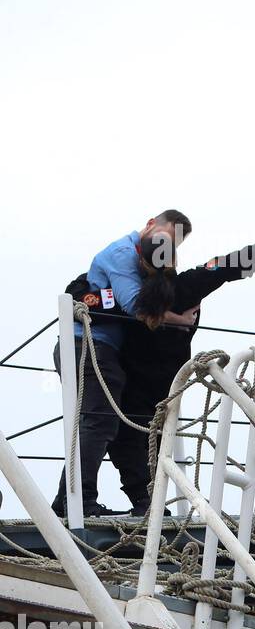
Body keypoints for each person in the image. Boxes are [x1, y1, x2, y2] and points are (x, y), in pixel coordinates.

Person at [114, 224, 255, 514]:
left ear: (141, 262)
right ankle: (148, 503)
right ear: (174, 261)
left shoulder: (128, 293)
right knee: (152, 443)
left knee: (120, 437)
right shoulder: (190, 284)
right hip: (168, 387)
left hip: (129, 383)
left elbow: (82, 291)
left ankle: (140, 500)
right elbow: (231, 264)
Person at [52, 211, 192, 518]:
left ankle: (69, 498)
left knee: (103, 422)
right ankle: (78, 500)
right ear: (151, 224)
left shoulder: (140, 259)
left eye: (172, 246)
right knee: (99, 421)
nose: (165, 248)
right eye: (163, 239)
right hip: (89, 344)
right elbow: (134, 305)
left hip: (102, 349)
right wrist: (180, 319)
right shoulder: (123, 254)